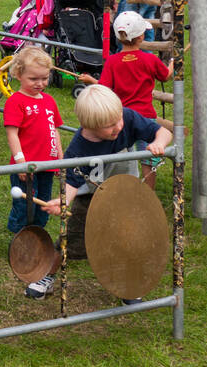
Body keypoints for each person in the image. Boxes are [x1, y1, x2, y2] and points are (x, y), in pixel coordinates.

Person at [33, 84, 172, 301]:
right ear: (89, 126)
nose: (118, 127)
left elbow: (162, 131)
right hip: (90, 197)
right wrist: (62, 202)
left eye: (118, 120)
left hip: (124, 192)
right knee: (70, 239)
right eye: (109, 127)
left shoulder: (128, 117)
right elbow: (71, 181)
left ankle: (127, 286)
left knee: (126, 238)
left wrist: (158, 143)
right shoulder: (79, 148)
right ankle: (46, 276)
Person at [78, 9, 172, 186]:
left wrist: (92, 81)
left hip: (121, 119)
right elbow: (165, 76)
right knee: (148, 158)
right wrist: (173, 65)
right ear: (141, 37)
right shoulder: (149, 60)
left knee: (119, 155)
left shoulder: (112, 61)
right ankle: (147, 194)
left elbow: (104, 89)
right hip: (145, 117)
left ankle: (116, 187)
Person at [3, 45, 62, 236]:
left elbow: (54, 131)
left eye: (44, 78)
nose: (40, 83)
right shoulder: (15, 101)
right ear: (19, 74)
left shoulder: (49, 100)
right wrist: (20, 161)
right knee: (24, 205)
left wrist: (61, 159)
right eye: (33, 79)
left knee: (43, 204)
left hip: (48, 165)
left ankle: (36, 236)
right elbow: (12, 134)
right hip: (26, 165)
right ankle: (19, 238)